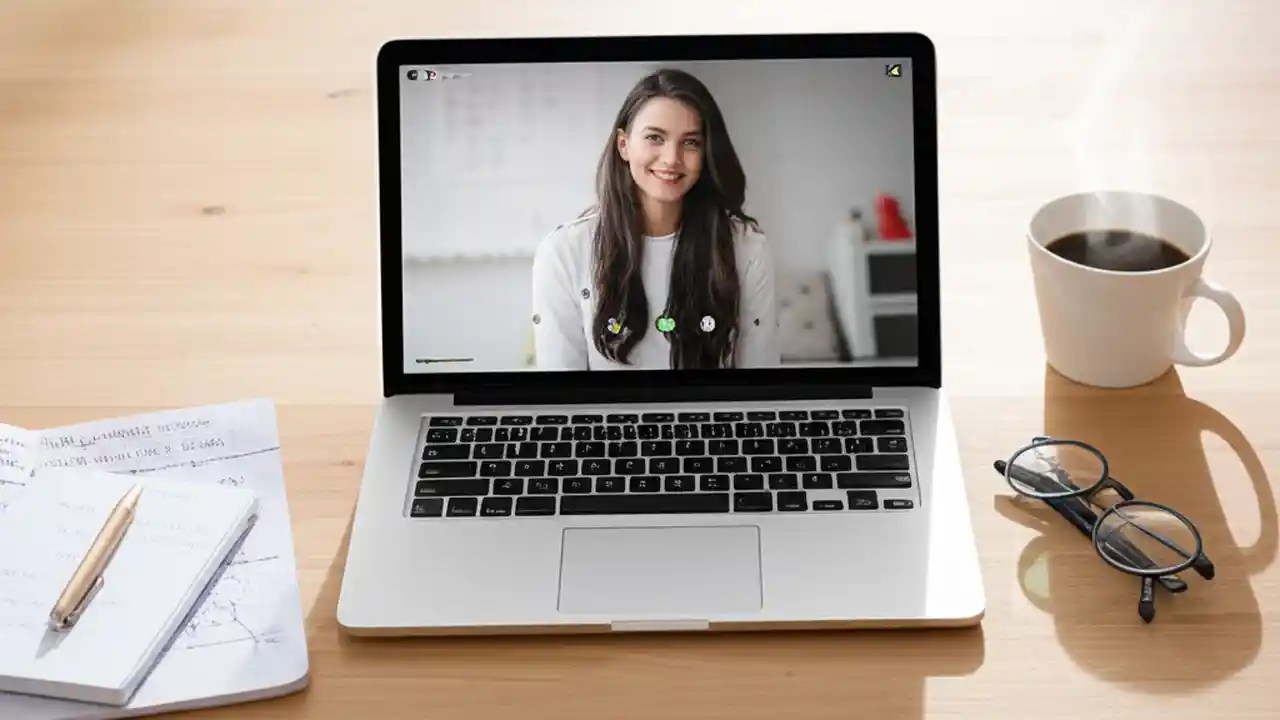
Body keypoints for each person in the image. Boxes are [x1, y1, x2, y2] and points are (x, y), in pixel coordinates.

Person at [530, 68, 780, 371]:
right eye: (654, 138)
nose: (672, 159)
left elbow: (759, 378)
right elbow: (561, 388)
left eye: (691, 142)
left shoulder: (747, 248)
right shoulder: (564, 251)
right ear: (623, 145)